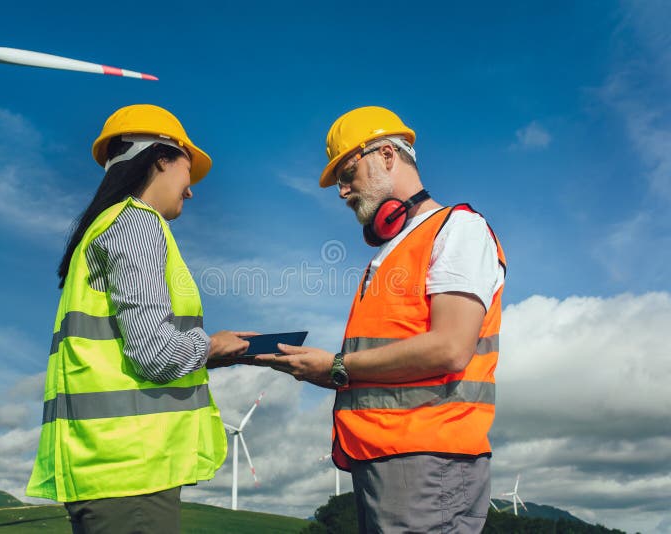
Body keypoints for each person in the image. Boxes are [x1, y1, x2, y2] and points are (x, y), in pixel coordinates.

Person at [257, 106, 507, 533]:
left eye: (347, 174)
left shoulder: (458, 228)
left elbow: (450, 348)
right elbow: (385, 360)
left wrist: (337, 366)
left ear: (387, 155)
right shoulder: (390, 253)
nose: (342, 191)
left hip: (426, 462)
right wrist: (328, 371)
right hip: (388, 462)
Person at [25, 104, 251, 534]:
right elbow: (154, 353)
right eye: (188, 170)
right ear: (162, 158)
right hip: (132, 472)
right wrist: (213, 344)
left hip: (107, 466)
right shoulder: (136, 225)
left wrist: (218, 353)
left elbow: (130, 348)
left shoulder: (106, 226)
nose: (191, 191)